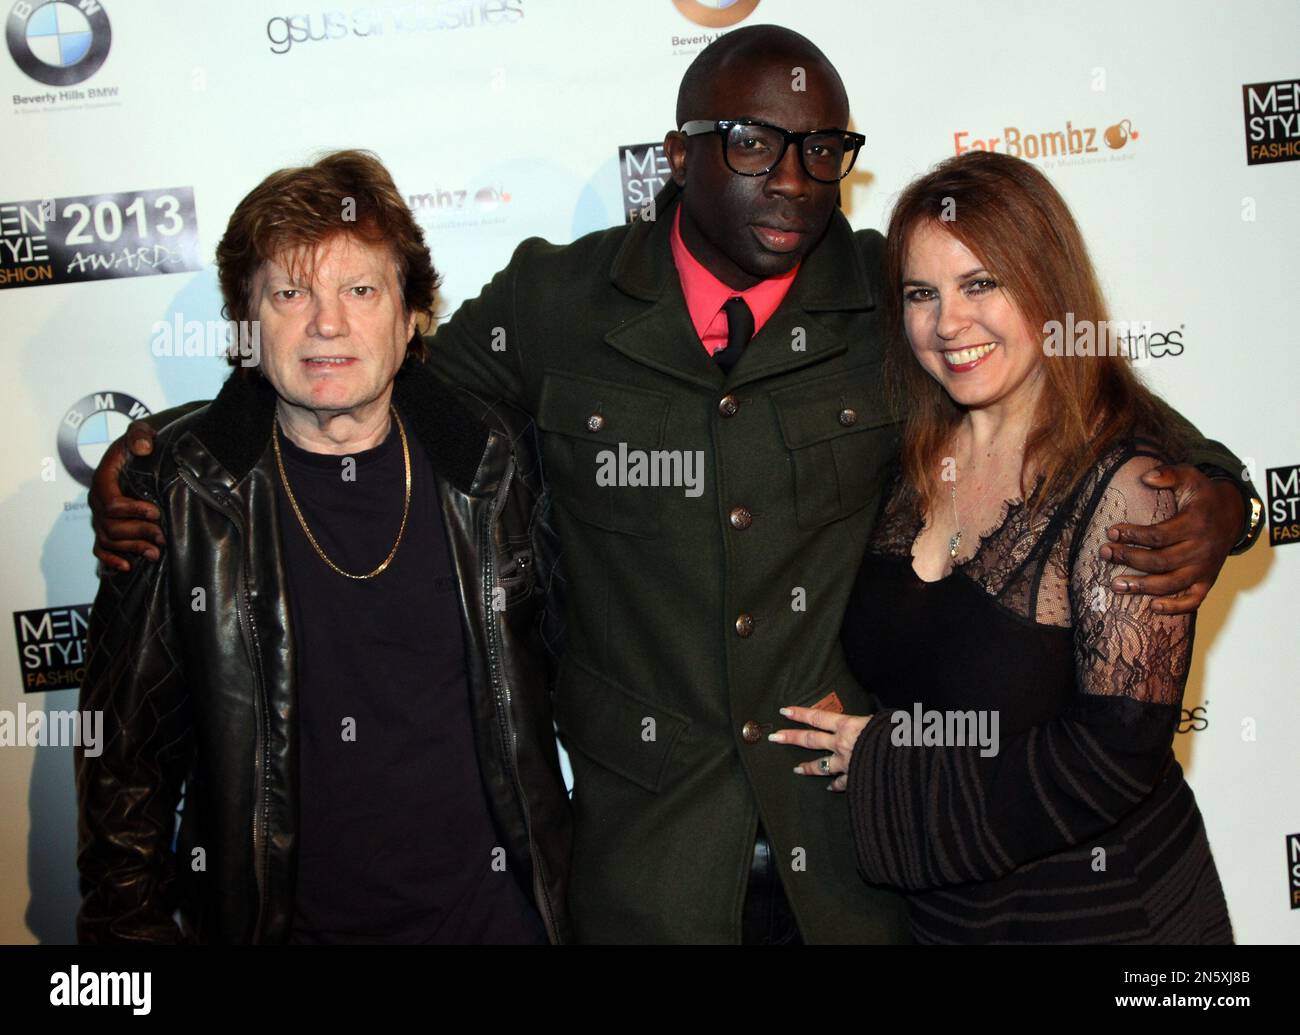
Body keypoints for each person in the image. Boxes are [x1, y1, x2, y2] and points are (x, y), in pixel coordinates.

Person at [89, 27, 1262, 944]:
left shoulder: (891, 291)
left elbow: (1068, 382)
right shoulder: (559, 302)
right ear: (680, 155)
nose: (793, 179)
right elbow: (370, 366)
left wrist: (1212, 484)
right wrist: (192, 440)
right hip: (648, 882)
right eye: (753, 144)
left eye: (821, 152)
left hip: (856, 871)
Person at [76, 150, 572, 944]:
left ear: (411, 317)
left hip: (497, 923)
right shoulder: (180, 488)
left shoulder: (494, 462)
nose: (327, 323)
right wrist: (127, 930)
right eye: (289, 292)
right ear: (246, 323)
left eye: (361, 289)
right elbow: (124, 762)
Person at [774, 150, 1234, 943]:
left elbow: (1113, 758)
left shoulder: (1128, 487)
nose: (948, 323)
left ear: (1047, 288)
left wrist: (888, 765)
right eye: (923, 293)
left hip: (1106, 919)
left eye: (981, 283)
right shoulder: (911, 456)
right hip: (948, 920)